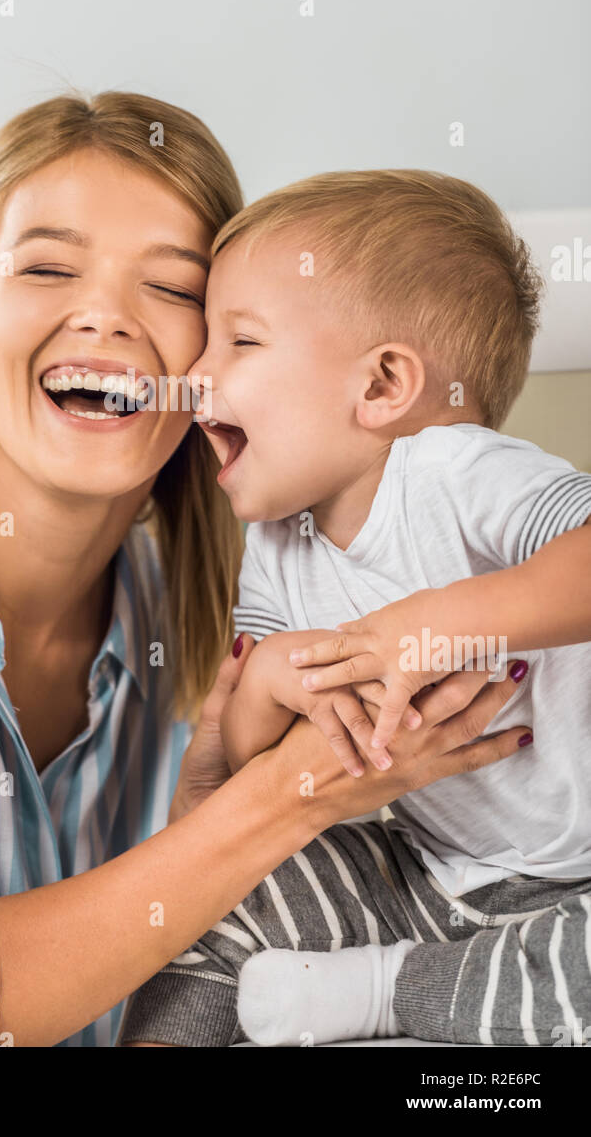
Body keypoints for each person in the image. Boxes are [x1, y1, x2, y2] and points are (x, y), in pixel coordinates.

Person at [0, 108, 529, 1048]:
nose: (107, 314)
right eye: (48, 268)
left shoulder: (209, 599)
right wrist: (281, 797)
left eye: (170, 286)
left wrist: (210, 810)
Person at [119, 168, 591, 1048]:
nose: (196, 373)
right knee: (213, 905)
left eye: (240, 343)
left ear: (380, 386)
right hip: (422, 875)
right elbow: (255, 757)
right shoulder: (276, 544)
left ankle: (386, 990)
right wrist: (263, 683)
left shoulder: (458, 473)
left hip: (577, 883)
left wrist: (437, 621)